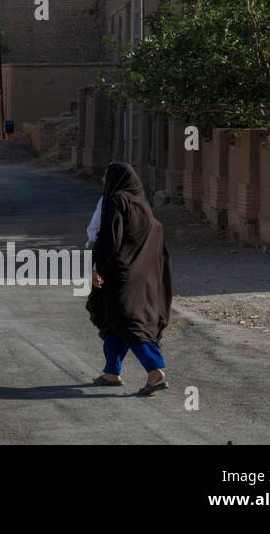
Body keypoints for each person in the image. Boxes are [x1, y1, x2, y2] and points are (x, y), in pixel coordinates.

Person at [86, 161, 173, 396]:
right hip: (141, 276)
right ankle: (111, 372)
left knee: (128, 322)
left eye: (106, 176)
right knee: (114, 321)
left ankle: (154, 370)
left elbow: (110, 239)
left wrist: (98, 269)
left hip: (120, 275)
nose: (103, 180)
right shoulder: (142, 205)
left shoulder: (116, 201)